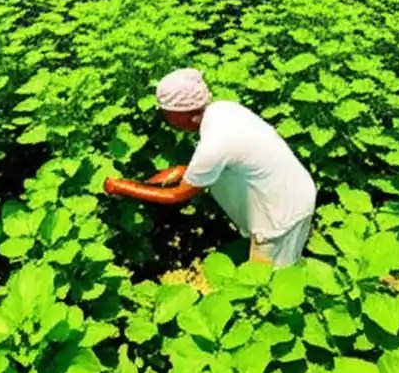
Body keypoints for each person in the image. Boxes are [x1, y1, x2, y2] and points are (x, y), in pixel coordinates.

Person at [102, 68, 317, 269]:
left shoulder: (215, 144)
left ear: (181, 113)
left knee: (266, 286)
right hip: (294, 190)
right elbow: (231, 161)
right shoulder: (224, 110)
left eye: (165, 111)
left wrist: (121, 186)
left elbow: (176, 195)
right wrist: (173, 175)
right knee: (284, 266)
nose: (163, 116)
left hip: (279, 218)